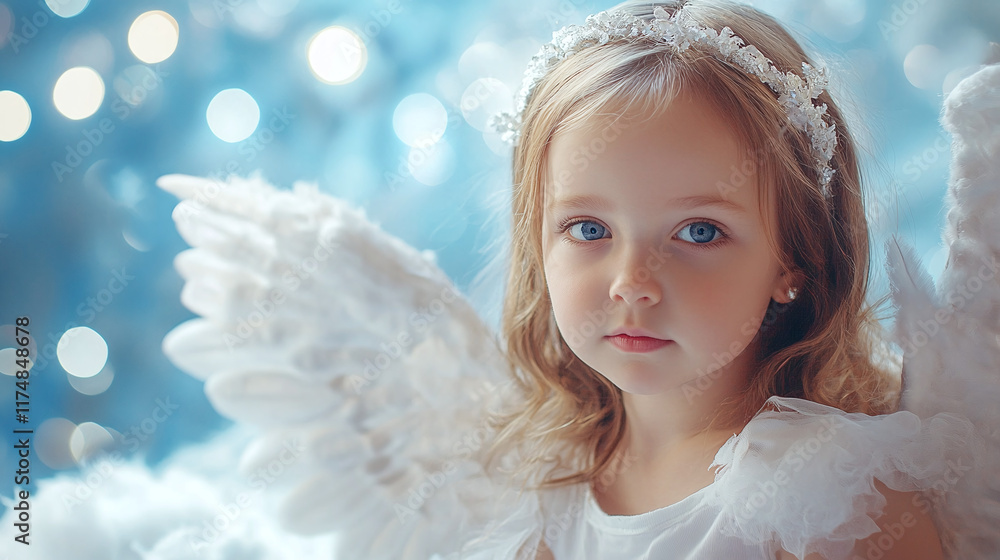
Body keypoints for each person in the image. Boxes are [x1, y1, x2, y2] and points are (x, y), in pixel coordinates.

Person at [477, 1, 987, 558]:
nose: (632, 282)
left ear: (794, 259)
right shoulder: (541, 486)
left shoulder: (827, 499)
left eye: (698, 232)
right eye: (589, 227)